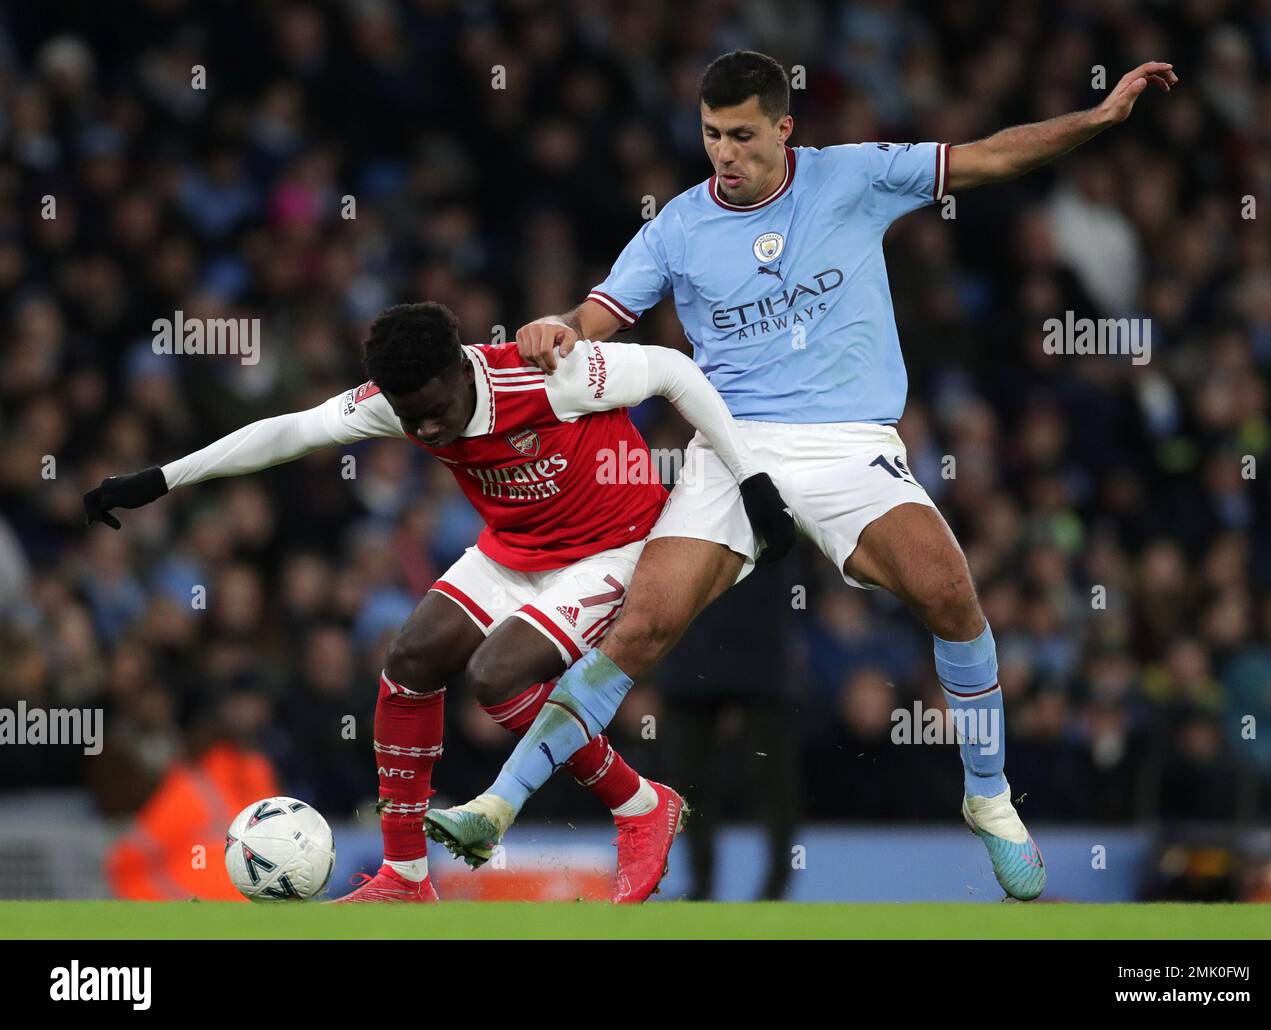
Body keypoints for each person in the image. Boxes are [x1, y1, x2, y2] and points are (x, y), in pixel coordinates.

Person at [428, 50, 1178, 902]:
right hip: (731, 448)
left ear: (784, 129)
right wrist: (554, 329)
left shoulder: (853, 178)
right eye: (712, 135)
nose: (725, 153)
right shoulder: (676, 225)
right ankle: (498, 802)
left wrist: (1096, 120)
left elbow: (987, 155)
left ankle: (990, 798)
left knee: (950, 592)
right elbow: (597, 316)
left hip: (848, 443)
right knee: (641, 629)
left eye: (743, 135)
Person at [85, 300, 793, 904]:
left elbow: (673, 370)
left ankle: (638, 803)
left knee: (494, 676)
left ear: (462, 367)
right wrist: (159, 479)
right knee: (410, 660)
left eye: (434, 413)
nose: (424, 431)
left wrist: (751, 478)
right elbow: (289, 431)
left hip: (615, 546)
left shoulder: (548, 374)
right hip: (513, 550)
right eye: (409, 419)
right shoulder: (400, 401)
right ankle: (404, 874)